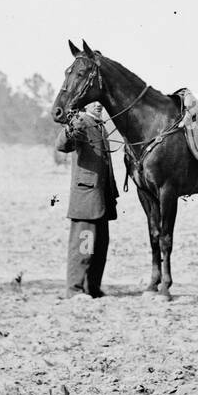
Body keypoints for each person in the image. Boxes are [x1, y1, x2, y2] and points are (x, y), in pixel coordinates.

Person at [57, 103, 117, 298]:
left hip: (101, 197)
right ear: (85, 104)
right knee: (84, 246)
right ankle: (75, 290)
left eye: (101, 101)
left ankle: (92, 288)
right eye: (94, 102)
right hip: (86, 196)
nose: (99, 105)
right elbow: (62, 145)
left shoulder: (100, 126)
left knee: (99, 247)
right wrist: (71, 126)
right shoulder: (81, 121)